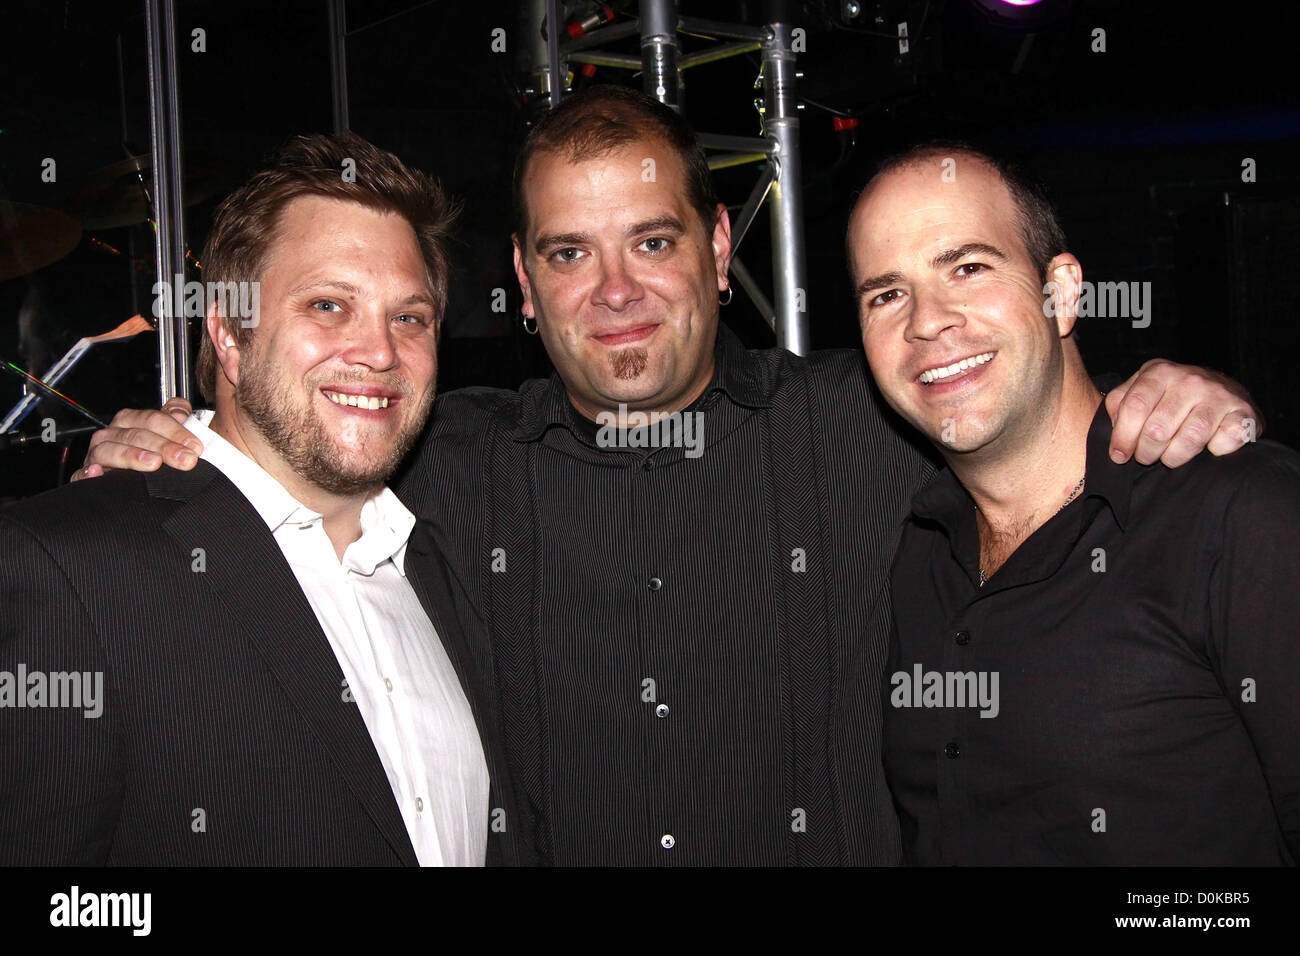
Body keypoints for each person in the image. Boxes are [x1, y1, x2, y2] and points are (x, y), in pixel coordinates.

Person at [76, 86, 1260, 865]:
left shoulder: (874, 422)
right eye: (568, 254)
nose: (618, 291)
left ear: (719, 247)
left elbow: (1020, 408)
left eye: (651, 240)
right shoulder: (438, 455)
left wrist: (1172, 393)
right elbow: (295, 443)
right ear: (525, 290)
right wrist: (170, 449)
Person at [0, 133, 536, 866]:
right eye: (327, 304)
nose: (379, 352)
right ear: (229, 334)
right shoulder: (71, 567)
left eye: (408, 317)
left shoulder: (454, 555)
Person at [848, 143, 1299, 864]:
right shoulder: (917, 550)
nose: (926, 322)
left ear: (1061, 291)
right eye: (886, 294)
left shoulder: (1242, 514)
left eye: (967, 267)